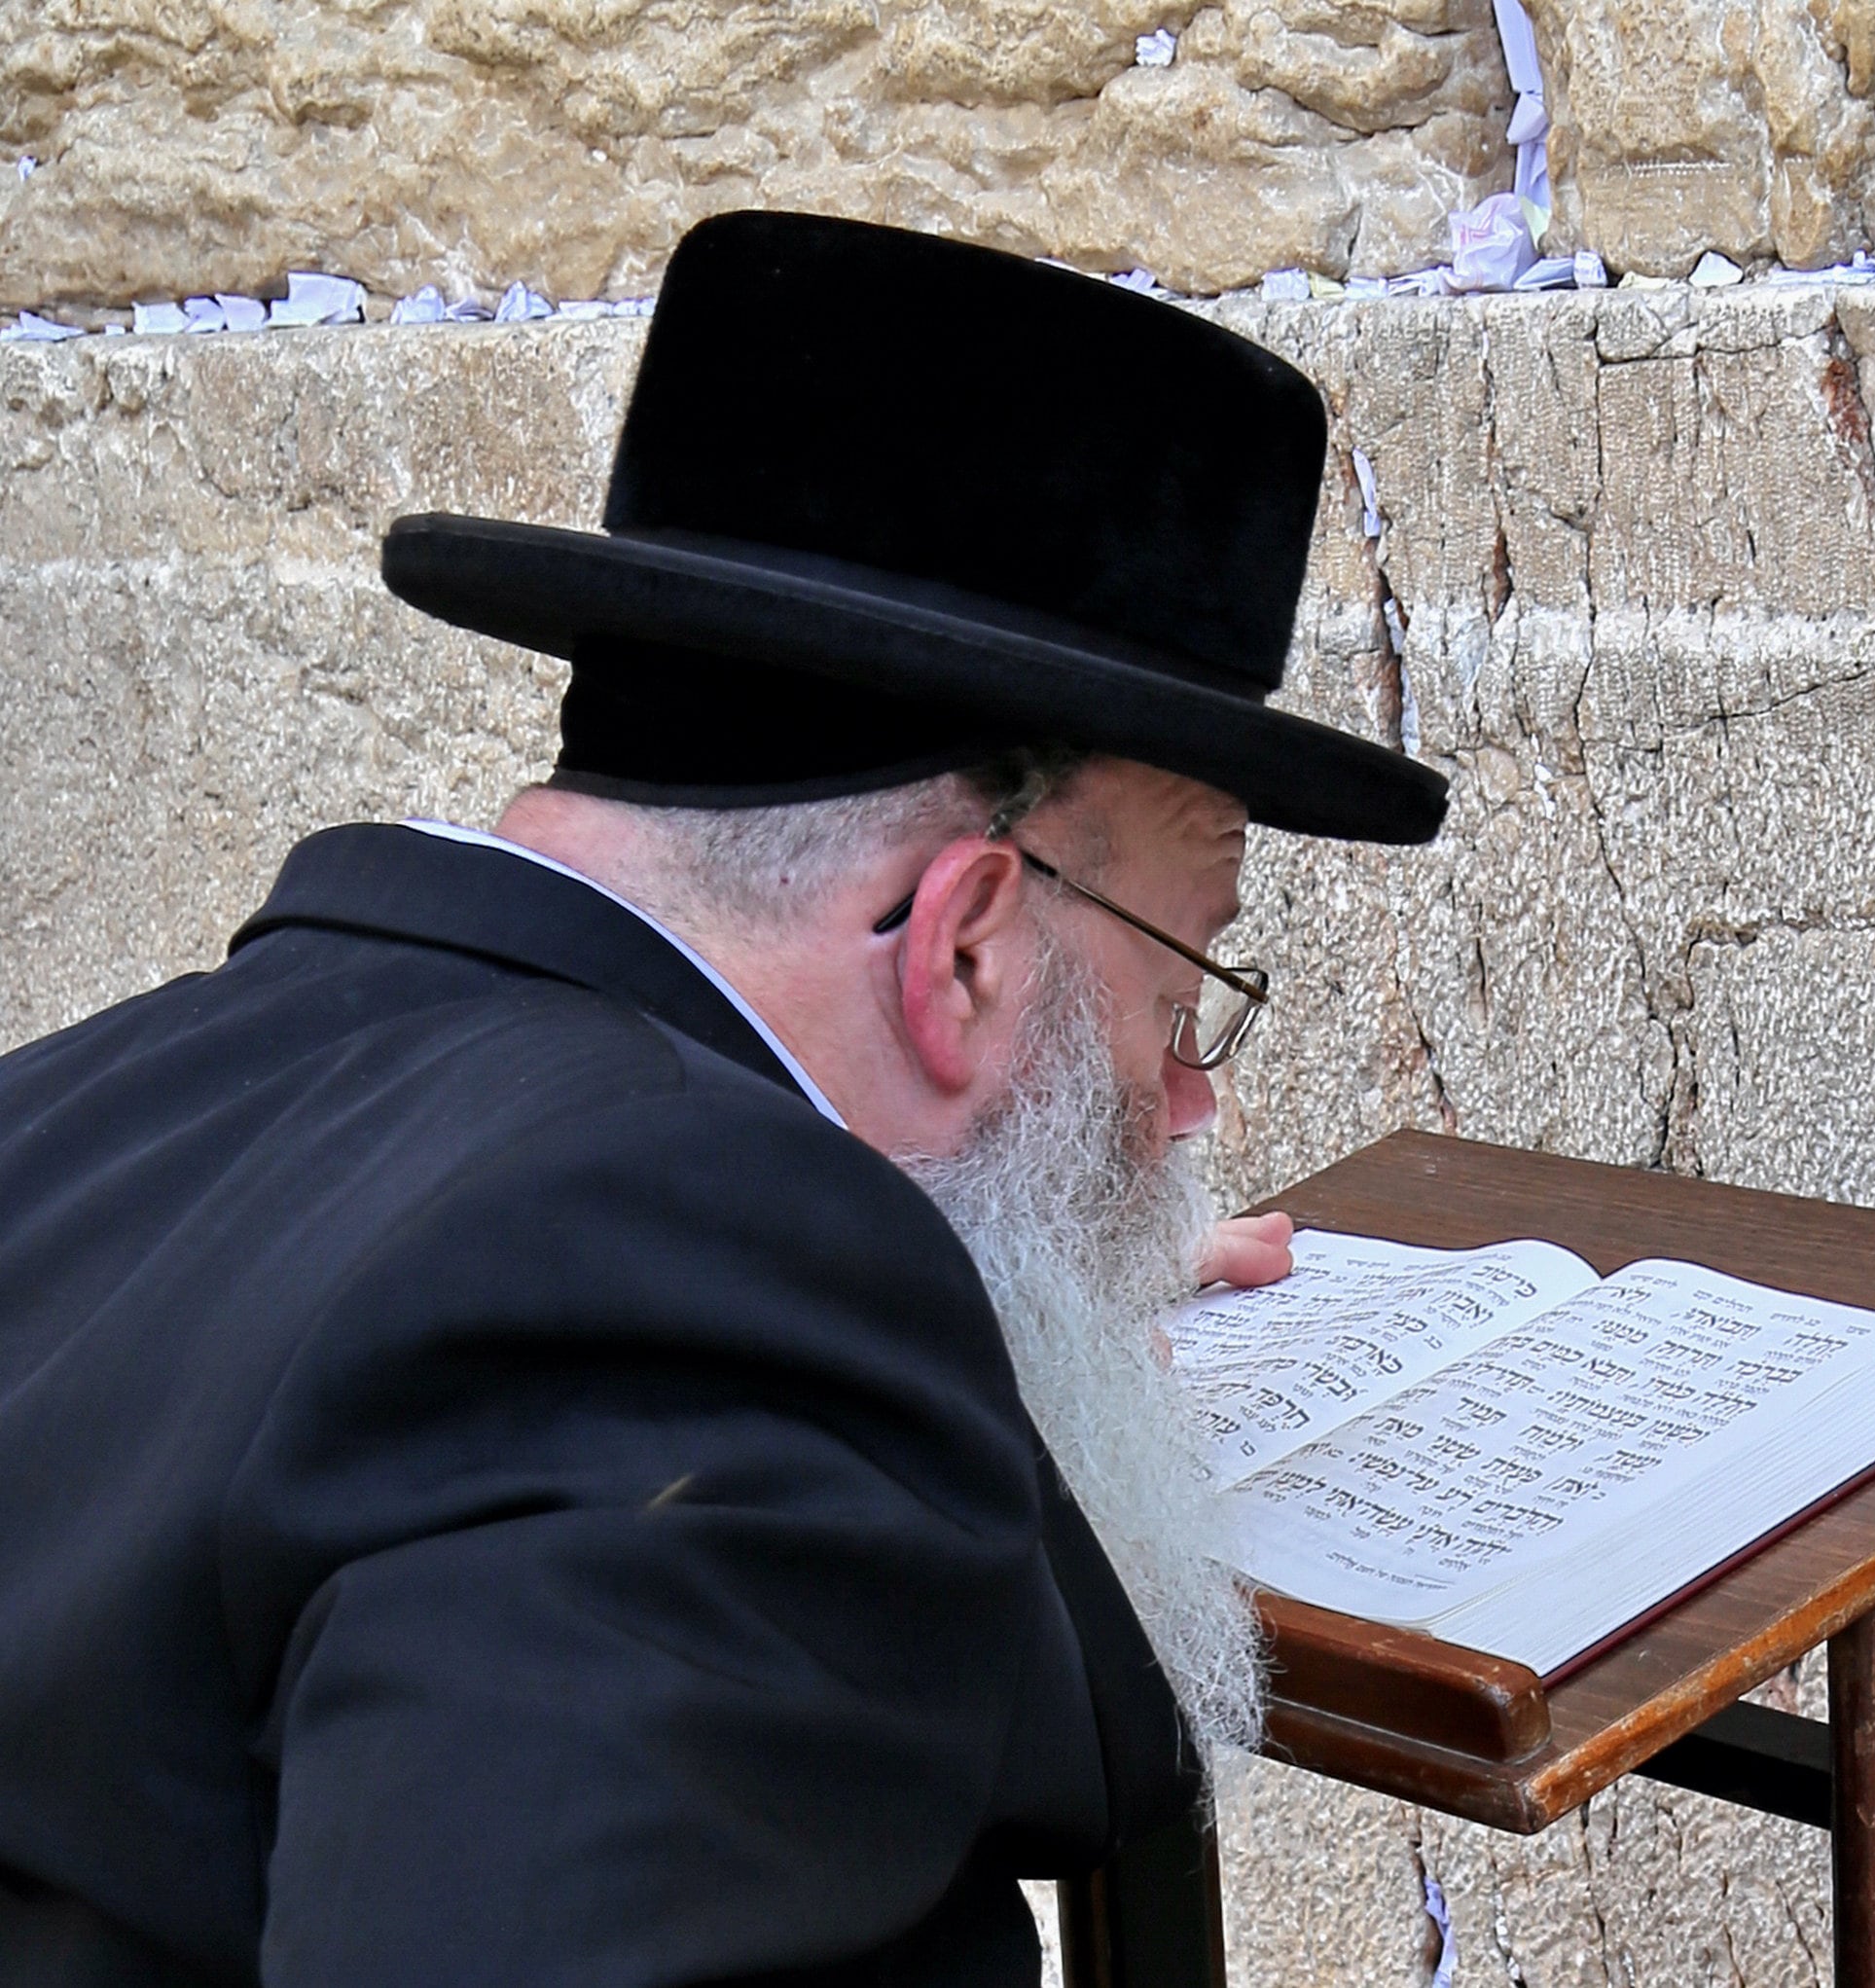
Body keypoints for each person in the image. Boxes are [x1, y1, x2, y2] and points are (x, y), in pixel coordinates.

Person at [0, 210, 1446, 1986]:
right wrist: (864, 1343)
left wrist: (988, 1331)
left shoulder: (82, 1109)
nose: (1189, 1105)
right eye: (1181, 992)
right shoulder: (712, 1308)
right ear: (968, 952)